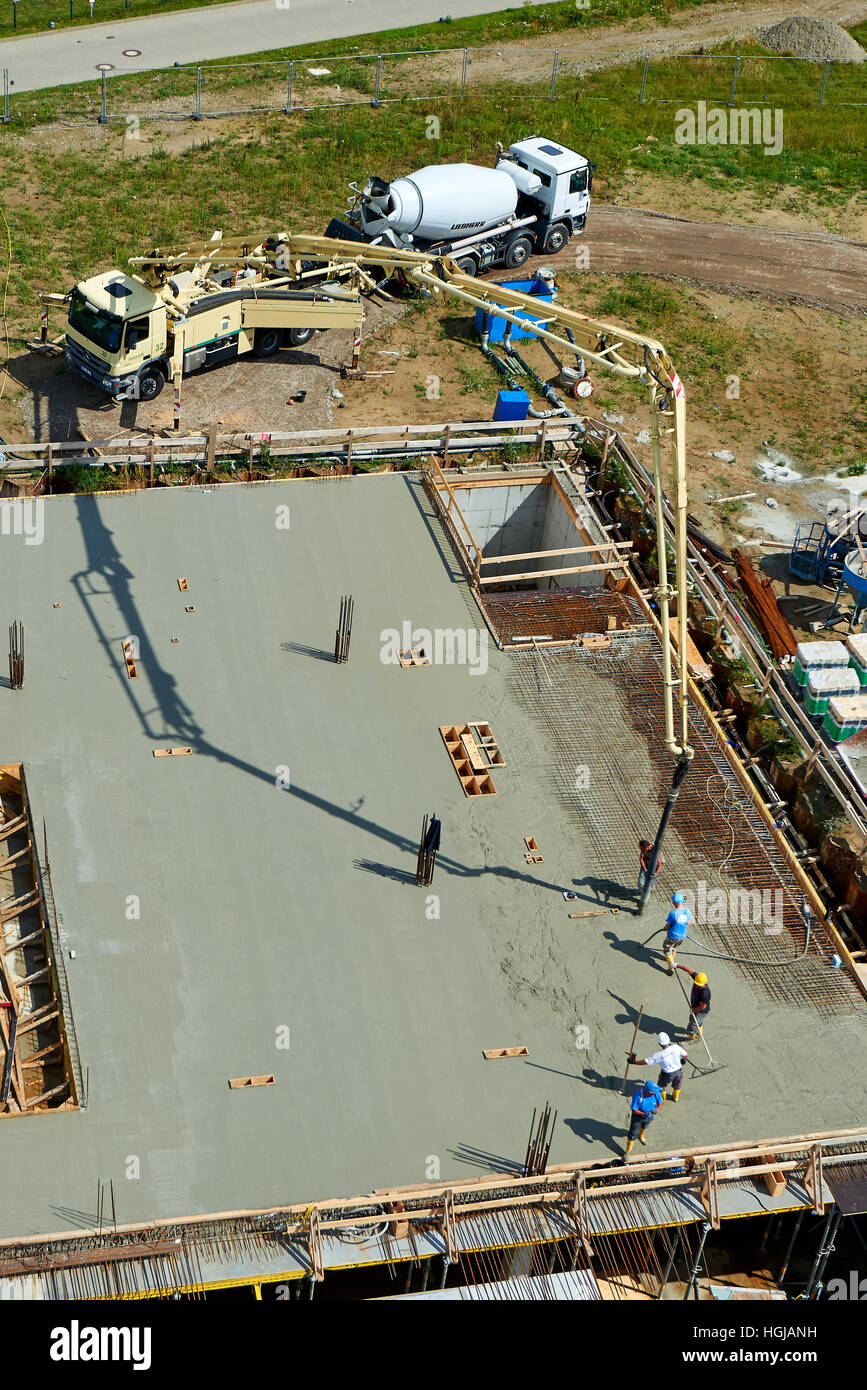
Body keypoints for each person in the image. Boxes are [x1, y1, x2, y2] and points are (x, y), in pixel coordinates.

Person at [628, 1031, 689, 1102]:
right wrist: (683, 1060)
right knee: (677, 1085)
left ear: (659, 1043)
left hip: (667, 1074)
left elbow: (646, 1062)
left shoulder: (658, 1055)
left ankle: (662, 1098)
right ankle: (675, 1098)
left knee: (661, 1087)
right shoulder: (676, 1047)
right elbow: (686, 1055)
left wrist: (634, 1062)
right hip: (679, 1072)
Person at [624, 1079, 664, 1157]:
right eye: (653, 1092)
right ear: (648, 1092)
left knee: (645, 1126)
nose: (655, 1093)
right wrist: (643, 1114)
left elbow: (661, 1103)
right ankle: (627, 1152)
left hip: (650, 1116)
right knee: (632, 1134)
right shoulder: (638, 1095)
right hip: (638, 1117)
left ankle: (641, 1136)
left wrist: (657, 1109)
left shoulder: (656, 1093)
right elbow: (634, 1109)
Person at [678, 965, 711, 1039]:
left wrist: (693, 1010)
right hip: (695, 1007)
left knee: (692, 1024)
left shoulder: (705, 993)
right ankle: (699, 1030)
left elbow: (702, 1007)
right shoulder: (698, 978)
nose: (696, 985)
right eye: (696, 983)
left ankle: (691, 1036)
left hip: (701, 1011)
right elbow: (688, 970)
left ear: (703, 984)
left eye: (698, 984)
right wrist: (677, 965)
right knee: (693, 1020)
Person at [662, 891, 692, 973]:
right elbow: (688, 922)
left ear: (675, 902)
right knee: (674, 947)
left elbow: (668, 925)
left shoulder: (673, 913)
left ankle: (671, 968)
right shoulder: (688, 911)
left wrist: (665, 928)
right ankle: (671, 957)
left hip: (672, 936)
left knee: (666, 949)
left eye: (673, 902)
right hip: (682, 936)